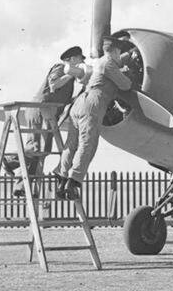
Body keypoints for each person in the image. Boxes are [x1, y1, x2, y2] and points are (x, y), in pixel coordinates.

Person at [56, 36, 133, 200]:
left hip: (78, 104)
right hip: (92, 104)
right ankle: (74, 182)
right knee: (88, 144)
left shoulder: (99, 62)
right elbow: (126, 85)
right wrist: (127, 73)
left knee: (71, 144)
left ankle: (62, 181)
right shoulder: (109, 63)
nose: (120, 55)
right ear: (114, 51)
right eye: (120, 52)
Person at [23, 45, 84, 180]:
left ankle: (22, 182)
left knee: (42, 150)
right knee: (35, 148)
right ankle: (10, 160)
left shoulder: (69, 78)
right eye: (80, 59)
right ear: (72, 59)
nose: (82, 63)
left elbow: (62, 97)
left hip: (49, 114)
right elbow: (54, 85)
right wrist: (71, 73)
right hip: (40, 110)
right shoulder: (61, 68)